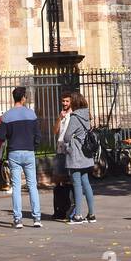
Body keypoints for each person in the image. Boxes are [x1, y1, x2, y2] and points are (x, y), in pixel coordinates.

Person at [0, 85, 42, 229]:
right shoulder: (31, 114)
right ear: (23, 98)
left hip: (14, 152)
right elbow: (38, 136)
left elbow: (1, 137)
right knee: (32, 186)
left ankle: (18, 219)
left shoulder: (7, 116)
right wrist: (34, 145)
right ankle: (36, 218)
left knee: (16, 186)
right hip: (28, 151)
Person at [63, 91, 97, 224]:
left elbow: (66, 136)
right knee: (86, 183)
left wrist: (70, 140)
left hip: (76, 154)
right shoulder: (87, 115)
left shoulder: (75, 117)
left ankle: (78, 215)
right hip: (86, 154)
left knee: (77, 184)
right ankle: (92, 214)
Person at [52, 91, 76, 221]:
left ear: (71, 102)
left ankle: (70, 210)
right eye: (63, 101)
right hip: (60, 149)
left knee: (69, 179)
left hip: (70, 150)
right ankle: (59, 210)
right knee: (58, 179)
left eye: (67, 101)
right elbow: (55, 131)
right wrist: (59, 119)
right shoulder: (62, 115)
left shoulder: (74, 115)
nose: (65, 104)